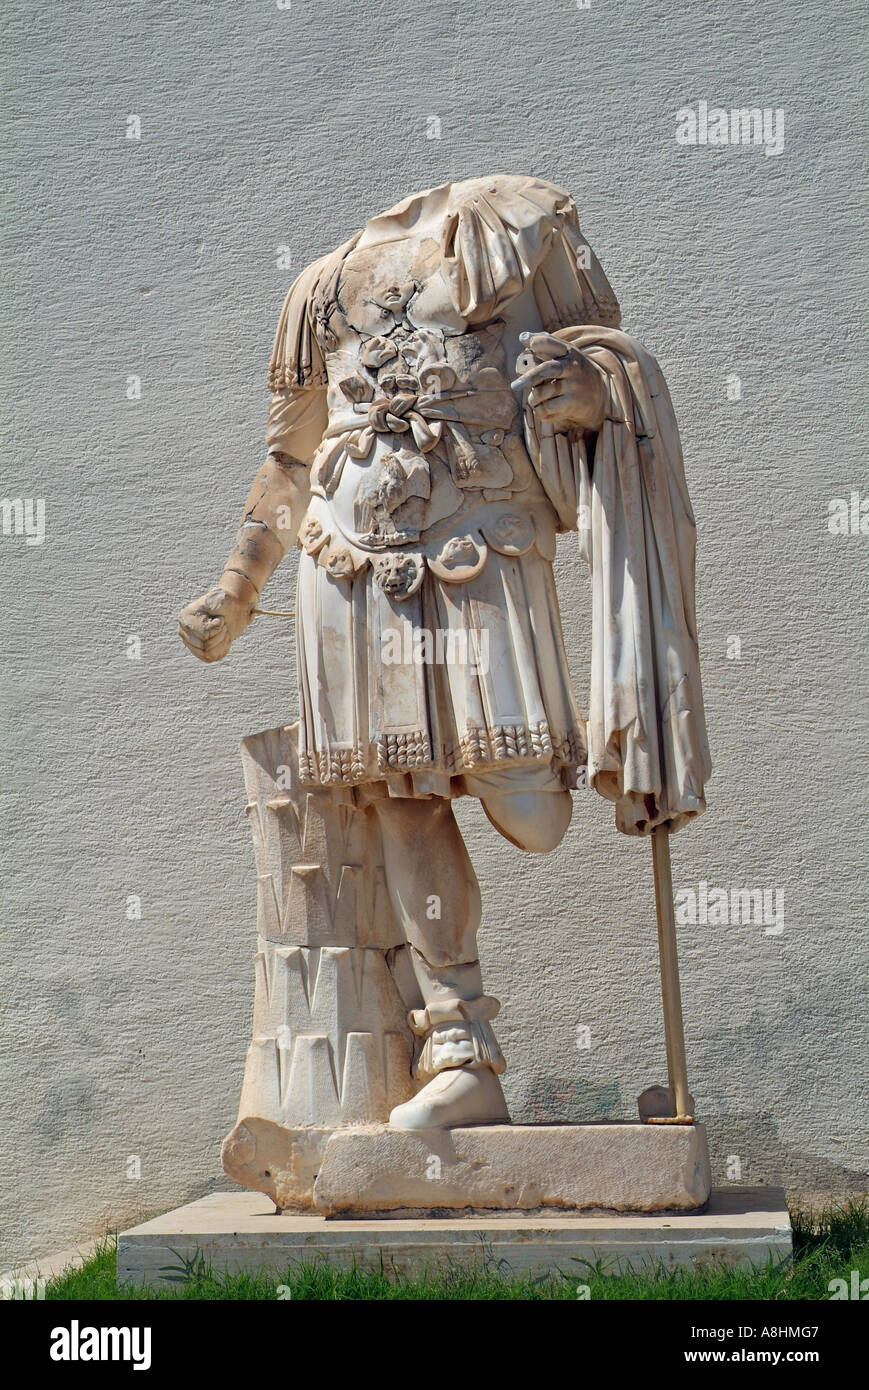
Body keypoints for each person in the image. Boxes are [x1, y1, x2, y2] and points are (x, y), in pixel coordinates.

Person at [179, 175, 710, 1129]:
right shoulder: (316, 287)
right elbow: (293, 458)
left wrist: (590, 395)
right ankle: (461, 1054)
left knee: (532, 809)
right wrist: (236, 587)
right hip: (346, 564)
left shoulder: (522, 230)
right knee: (400, 800)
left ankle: (468, 1043)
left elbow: (605, 364)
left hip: (481, 550)